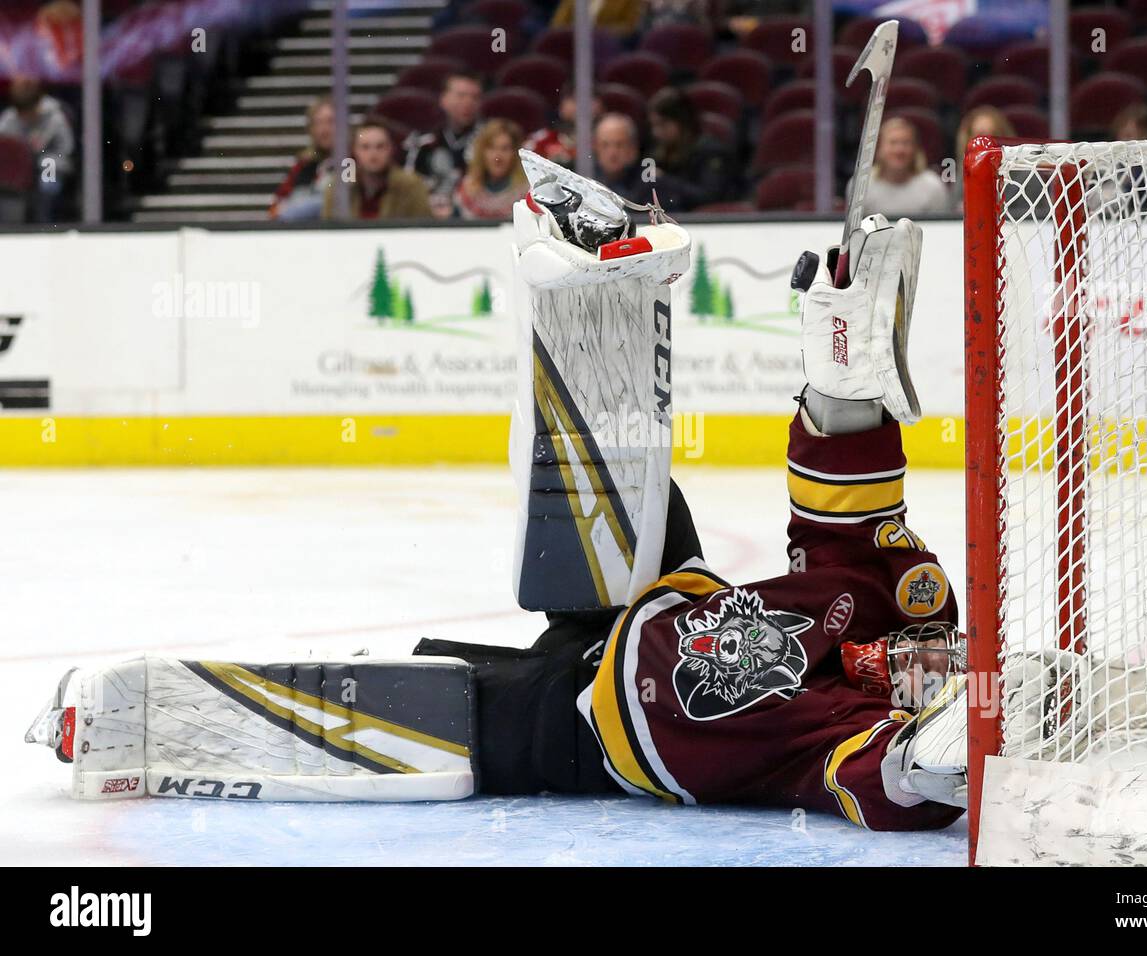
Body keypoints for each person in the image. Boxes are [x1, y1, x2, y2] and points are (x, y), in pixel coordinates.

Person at [28, 157, 970, 835]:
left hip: (592, 730)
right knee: (641, 489)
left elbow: (867, 784)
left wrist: (929, 768)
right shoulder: (905, 599)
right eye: (950, 660)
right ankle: (595, 282)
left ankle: (139, 726)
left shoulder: (858, 730)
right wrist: (843, 376)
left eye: (944, 688)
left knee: (454, 714)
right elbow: (842, 509)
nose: (934, 667)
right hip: (658, 595)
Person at [406, 71, 483, 218]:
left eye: (475, 97)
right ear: (444, 99)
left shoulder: (488, 145)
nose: (468, 102)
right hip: (425, 221)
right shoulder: (422, 142)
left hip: (474, 222)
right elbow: (407, 187)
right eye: (461, 96)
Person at [0, 74, 75, 223]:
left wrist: (40, 156)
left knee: (48, 175)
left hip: (50, 163)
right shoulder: (9, 118)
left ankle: (45, 222)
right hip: (19, 167)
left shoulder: (55, 117)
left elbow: (66, 149)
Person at [321, 122, 432, 221]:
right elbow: (329, 232)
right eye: (365, 147)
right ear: (355, 151)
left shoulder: (411, 185)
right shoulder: (339, 188)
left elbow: (423, 229)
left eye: (380, 146)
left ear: (390, 149)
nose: (373, 154)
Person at [646, 87, 734, 210]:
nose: (656, 132)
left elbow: (709, 197)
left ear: (681, 121)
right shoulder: (658, 152)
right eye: (654, 125)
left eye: (663, 124)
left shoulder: (711, 152)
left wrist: (665, 180)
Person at [860, 116, 950, 218]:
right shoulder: (861, 187)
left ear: (915, 149)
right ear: (879, 148)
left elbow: (940, 229)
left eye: (906, 143)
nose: (899, 150)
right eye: (893, 143)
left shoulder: (933, 186)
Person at [269, 97, 335, 221]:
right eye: (318, 123)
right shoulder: (303, 164)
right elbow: (276, 206)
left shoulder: (351, 161)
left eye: (330, 122)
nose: (324, 129)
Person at [452, 118, 529, 220]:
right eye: (492, 148)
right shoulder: (465, 192)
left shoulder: (528, 193)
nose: (497, 156)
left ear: (515, 153)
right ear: (481, 152)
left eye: (505, 149)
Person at [951, 105, 1016, 210]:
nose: (984, 145)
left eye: (990, 137)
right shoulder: (963, 172)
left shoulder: (1024, 176)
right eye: (978, 138)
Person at [524, 87, 604, 168]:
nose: (581, 106)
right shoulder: (541, 142)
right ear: (561, 107)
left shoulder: (607, 144)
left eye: (588, 99)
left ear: (600, 107)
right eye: (574, 100)